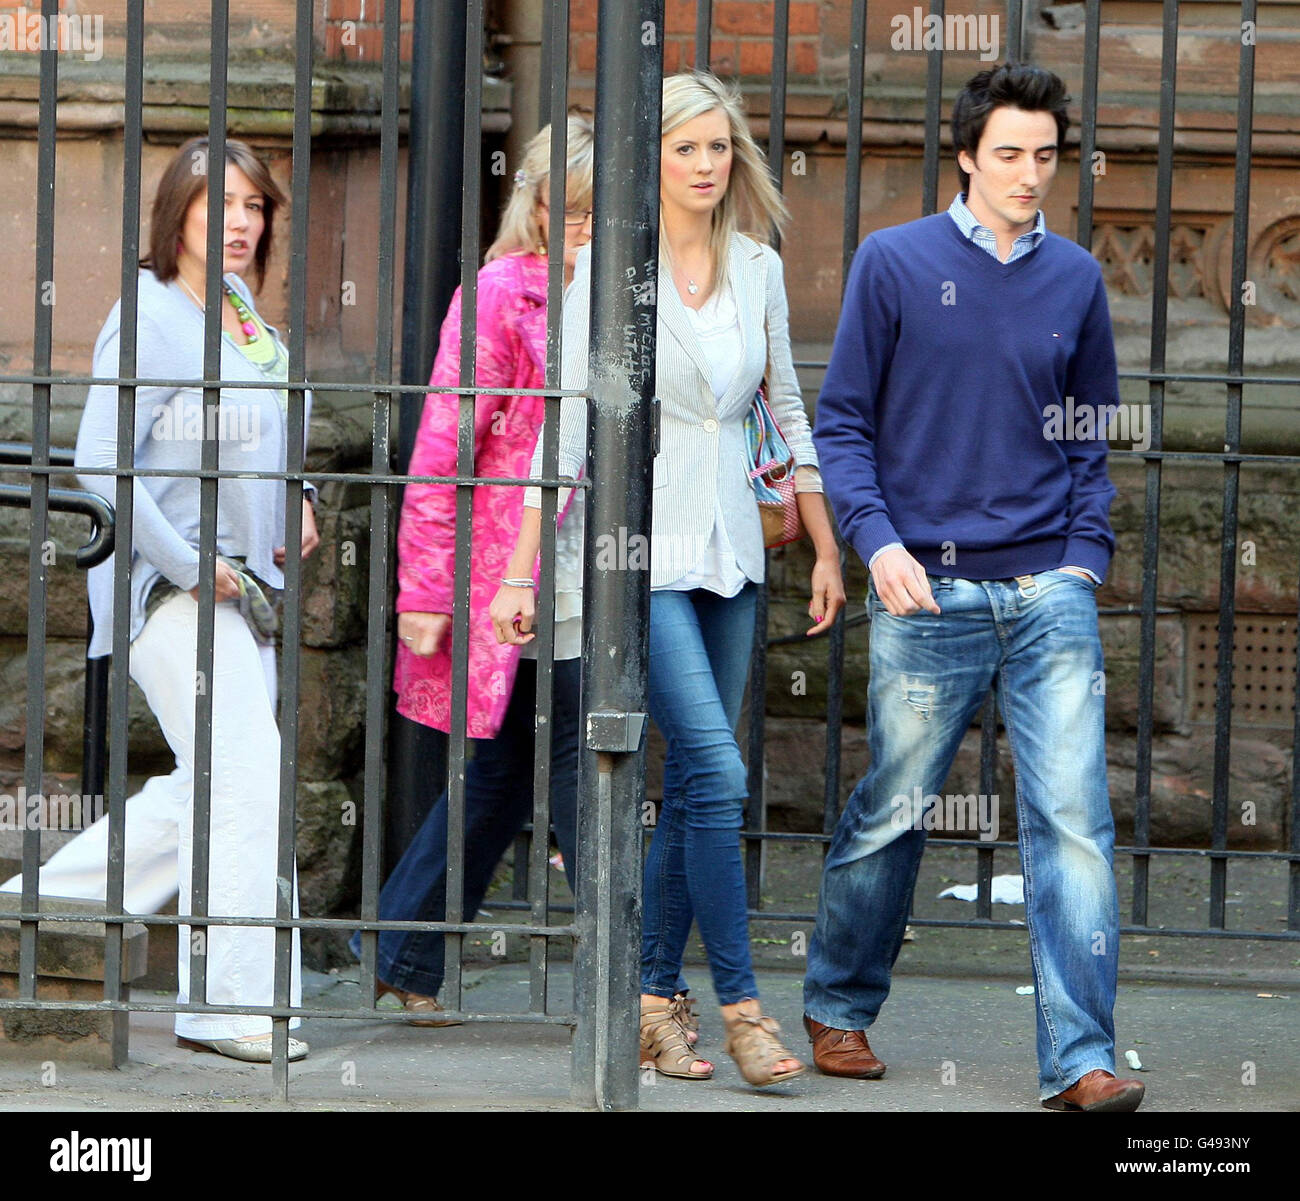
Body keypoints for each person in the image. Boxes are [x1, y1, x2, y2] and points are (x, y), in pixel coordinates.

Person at [490, 72, 846, 1088]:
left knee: (700, 784)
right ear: (653, 160)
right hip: (637, 553)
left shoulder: (759, 268)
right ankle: (741, 1007)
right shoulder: (607, 268)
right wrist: (520, 573)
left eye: (717, 149)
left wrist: (822, 544)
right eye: (684, 148)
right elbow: (562, 431)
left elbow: (784, 411)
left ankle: (648, 998)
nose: (702, 166)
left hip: (733, 546)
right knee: (720, 773)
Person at [803, 62, 1144, 1112]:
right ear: (964, 155)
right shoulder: (893, 263)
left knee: (1073, 823)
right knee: (891, 812)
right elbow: (843, 422)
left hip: (1049, 589)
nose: (1029, 174)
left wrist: (1085, 554)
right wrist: (876, 543)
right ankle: (839, 1002)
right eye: (1008, 153)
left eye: (1044, 155)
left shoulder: (1075, 279)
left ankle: (1080, 1058)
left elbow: (1091, 430)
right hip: (923, 591)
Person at [6, 136, 319, 1062]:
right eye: (217, 202)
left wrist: (298, 495)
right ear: (175, 211)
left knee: (211, 787)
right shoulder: (145, 313)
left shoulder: (241, 315)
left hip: (241, 592)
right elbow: (101, 462)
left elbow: (268, 439)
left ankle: (34, 920)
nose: (239, 221)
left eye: (255, 206)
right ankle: (227, 1003)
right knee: (247, 774)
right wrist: (186, 563)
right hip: (168, 592)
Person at [348, 116, 595, 1024]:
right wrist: (423, 588)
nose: (580, 230)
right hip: (515, 575)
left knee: (506, 770)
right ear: (533, 202)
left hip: (601, 564)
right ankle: (632, 983)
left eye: (597, 213)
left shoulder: (632, 293)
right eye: (566, 210)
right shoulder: (501, 296)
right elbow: (445, 448)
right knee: (576, 764)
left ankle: (401, 948)